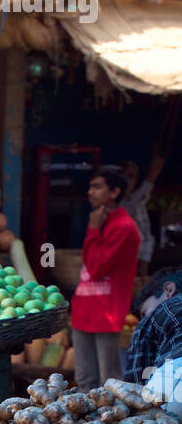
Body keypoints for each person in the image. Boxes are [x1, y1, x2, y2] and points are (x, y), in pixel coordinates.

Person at [70, 164, 141, 392]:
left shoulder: (124, 227)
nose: (91, 192)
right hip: (84, 311)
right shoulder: (101, 222)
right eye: (91, 187)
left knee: (110, 384)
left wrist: (92, 229)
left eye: (98, 187)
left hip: (107, 314)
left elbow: (97, 268)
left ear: (115, 192)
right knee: (84, 381)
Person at [125, 266, 182, 386]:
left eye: (145, 312)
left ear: (169, 289)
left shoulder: (154, 318)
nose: (145, 319)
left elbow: (134, 388)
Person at [122, 154, 163, 276]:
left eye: (132, 176)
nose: (129, 180)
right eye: (127, 176)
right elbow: (151, 178)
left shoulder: (137, 201)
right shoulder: (124, 203)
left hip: (141, 252)